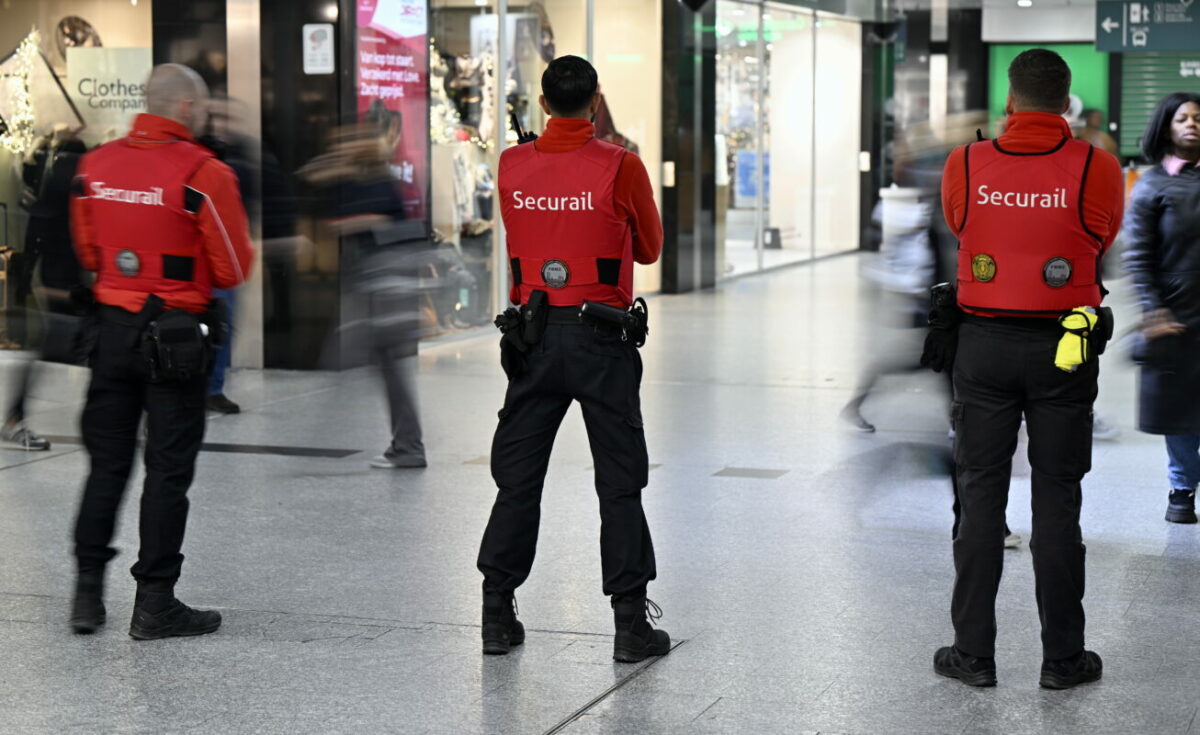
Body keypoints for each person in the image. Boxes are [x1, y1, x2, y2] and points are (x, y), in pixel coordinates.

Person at [924, 49, 1124, 689]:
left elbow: (961, 226)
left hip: (981, 346)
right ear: (1066, 102)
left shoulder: (965, 162)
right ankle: (1063, 660)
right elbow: (1101, 239)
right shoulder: (1098, 165)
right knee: (1058, 497)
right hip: (1066, 347)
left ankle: (972, 654)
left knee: (980, 494)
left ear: (1010, 101)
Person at [475, 56, 669, 662]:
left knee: (517, 479)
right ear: (595, 101)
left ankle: (496, 614)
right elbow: (650, 248)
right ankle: (629, 626)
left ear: (542, 103)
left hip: (532, 340)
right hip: (601, 341)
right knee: (619, 481)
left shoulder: (512, 164)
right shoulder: (621, 165)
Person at [67, 64, 254, 639]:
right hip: (174, 343)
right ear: (188, 108)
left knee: (107, 465)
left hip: (109, 333)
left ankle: (86, 595)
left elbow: (89, 253)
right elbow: (233, 267)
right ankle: (154, 603)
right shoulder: (204, 172)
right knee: (167, 470)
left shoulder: (93, 166)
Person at [1123, 93, 1200, 523]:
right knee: (1182, 411)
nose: (1192, 124)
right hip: (1176, 314)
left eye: (1198, 118)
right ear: (1166, 127)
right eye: (1182, 118)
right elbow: (1138, 255)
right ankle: (1182, 489)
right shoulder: (1152, 184)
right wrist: (1153, 309)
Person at [3, 129, 88, 450]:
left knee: (47, 351)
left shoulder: (55, 191)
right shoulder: (69, 186)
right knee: (50, 349)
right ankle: (15, 419)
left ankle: (15, 419)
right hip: (64, 285)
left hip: (64, 283)